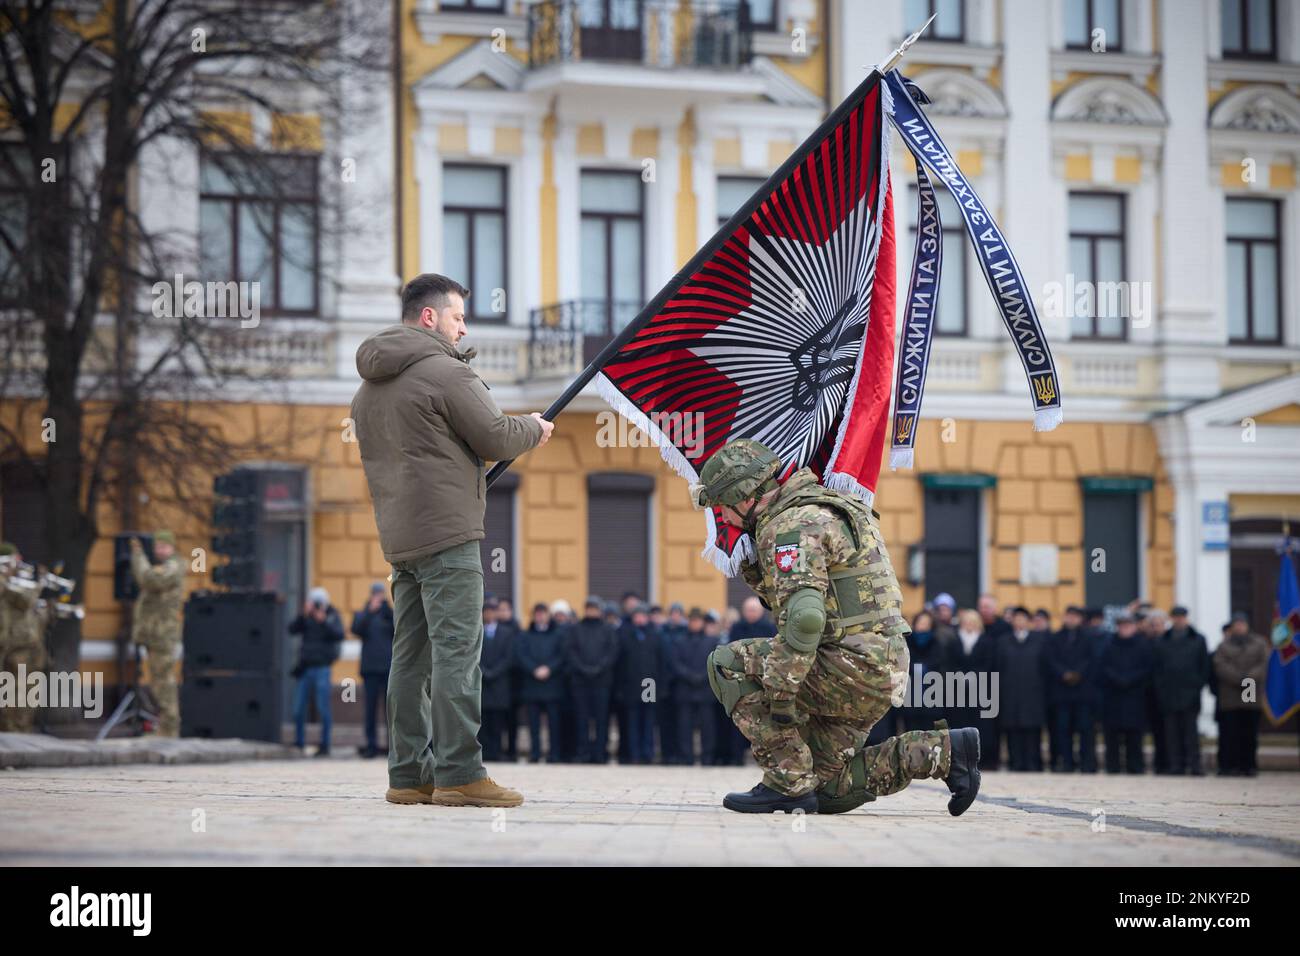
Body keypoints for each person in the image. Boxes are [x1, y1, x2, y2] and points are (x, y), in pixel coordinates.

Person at [692, 439, 980, 815]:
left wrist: (782, 689)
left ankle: (785, 783)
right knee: (825, 788)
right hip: (881, 667)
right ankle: (942, 752)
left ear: (744, 497)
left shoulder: (789, 526)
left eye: (720, 506)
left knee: (725, 663)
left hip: (849, 668)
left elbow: (806, 617)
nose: (722, 517)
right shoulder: (832, 509)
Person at [351, 273, 550, 807]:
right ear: (430, 317)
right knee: (458, 655)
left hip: (401, 539)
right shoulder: (446, 373)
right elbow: (495, 437)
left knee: (409, 659)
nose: (464, 328)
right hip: (450, 535)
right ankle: (461, 772)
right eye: (459, 317)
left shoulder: (368, 387)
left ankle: (408, 776)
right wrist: (534, 426)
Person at [129, 531, 185, 737]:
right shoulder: (163, 566)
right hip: (155, 634)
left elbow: (149, 580)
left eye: (164, 546)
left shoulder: (175, 566)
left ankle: (169, 728)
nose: (159, 551)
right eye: (157, 547)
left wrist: (138, 556)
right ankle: (164, 726)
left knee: (164, 682)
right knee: (158, 681)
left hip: (163, 635)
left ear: (172, 547)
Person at [0, 543, 52, 733]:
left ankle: (22, 730)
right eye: (14, 559)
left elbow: (31, 609)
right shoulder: (6, 584)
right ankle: (13, 730)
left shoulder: (16, 583)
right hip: (14, 646)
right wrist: (38, 584)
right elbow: (26, 601)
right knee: (13, 693)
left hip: (30, 645)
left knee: (29, 692)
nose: (18, 564)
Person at [1153, 605, 1210, 775]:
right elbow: (1157, 668)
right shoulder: (1162, 640)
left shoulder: (1198, 639)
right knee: (1172, 734)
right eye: (1176, 617)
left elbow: (1204, 666)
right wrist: (1161, 688)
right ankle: (1175, 765)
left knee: (1191, 733)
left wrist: (1197, 685)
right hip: (1169, 693)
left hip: (1190, 693)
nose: (1179, 620)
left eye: (1182, 617)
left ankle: (1194, 765)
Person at [1213, 611, 1271, 776]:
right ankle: (1232, 766)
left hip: (1250, 688)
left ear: (1247, 626)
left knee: (1249, 731)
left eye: (1242, 624)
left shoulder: (1259, 643)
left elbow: (1264, 663)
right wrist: (1238, 678)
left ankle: (1249, 766)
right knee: (1231, 732)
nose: (1239, 627)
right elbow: (1220, 665)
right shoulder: (1224, 645)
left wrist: (1248, 678)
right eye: (1236, 625)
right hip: (1230, 691)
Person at [289, 587, 344, 756]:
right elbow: (291, 630)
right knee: (298, 708)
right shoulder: (307, 617)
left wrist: (324, 621)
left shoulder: (332, 614)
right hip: (305, 668)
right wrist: (303, 614)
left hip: (322, 668)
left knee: (323, 708)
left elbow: (339, 634)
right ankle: (299, 743)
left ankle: (325, 745)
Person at [565, 596, 619, 763]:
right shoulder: (576, 629)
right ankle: (583, 752)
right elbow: (571, 652)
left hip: (602, 682)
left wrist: (598, 668)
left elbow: (612, 653)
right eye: (589, 608)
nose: (591, 611)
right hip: (580, 682)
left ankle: (600, 753)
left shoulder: (608, 630)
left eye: (595, 608)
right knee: (582, 718)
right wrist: (584, 669)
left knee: (601, 719)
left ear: (600, 610)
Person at [1044, 606, 1098, 772]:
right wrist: (1064, 674)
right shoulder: (1055, 637)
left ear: (1080, 619)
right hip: (1062, 691)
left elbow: (1092, 660)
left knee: (1085, 730)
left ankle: (1087, 763)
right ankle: (1066, 763)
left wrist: (1078, 674)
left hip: (1083, 692)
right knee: (1063, 730)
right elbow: (1050, 660)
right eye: (1069, 616)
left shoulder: (1089, 637)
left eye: (1075, 616)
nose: (1071, 619)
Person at [1099, 612, 1152, 774]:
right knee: (1112, 735)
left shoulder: (1142, 645)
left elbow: (1147, 668)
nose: (1125, 629)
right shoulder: (1108, 644)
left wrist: (1131, 679)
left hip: (1135, 695)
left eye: (1128, 625)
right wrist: (1116, 678)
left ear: (1134, 627)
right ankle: (1112, 766)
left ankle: (1135, 767)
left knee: (1134, 735)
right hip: (1113, 695)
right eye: (1122, 626)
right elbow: (1103, 666)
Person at [951, 605, 1001, 770]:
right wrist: (960, 677)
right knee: (960, 725)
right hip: (959, 690)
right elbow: (949, 663)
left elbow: (989, 663)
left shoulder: (987, 641)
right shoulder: (955, 640)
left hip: (981, 690)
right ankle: (960, 759)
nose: (969, 625)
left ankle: (983, 759)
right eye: (966, 622)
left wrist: (973, 676)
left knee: (982, 726)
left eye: (972, 622)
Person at [998, 606, 1046, 772]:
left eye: (1022, 618)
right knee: (1012, 730)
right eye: (1016, 618)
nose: (1019, 621)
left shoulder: (1039, 641)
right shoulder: (1004, 641)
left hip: (1033, 693)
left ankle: (1033, 763)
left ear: (1028, 621)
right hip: (1010, 693)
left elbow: (1045, 667)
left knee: (1032, 731)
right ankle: (1015, 763)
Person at [516, 602, 565, 763]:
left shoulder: (557, 634)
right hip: (532, 685)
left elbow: (562, 656)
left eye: (543, 613)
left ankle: (554, 754)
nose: (540, 616)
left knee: (554, 724)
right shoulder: (526, 635)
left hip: (552, 685)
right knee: (534, 724)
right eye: (537, 613)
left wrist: (549, 669)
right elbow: (521, 656)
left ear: (548, 615)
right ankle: (535, 753)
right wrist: (534, 669)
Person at [351, 582, 394, 758]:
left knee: (390, 711)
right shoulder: (363, 613)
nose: (378, 597)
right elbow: (356, 629)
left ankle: (392, 747)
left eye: (380, 594)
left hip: (387, 669)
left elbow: (399, 628)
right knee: (370, 710)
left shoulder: (389, 613)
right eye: (375, 593)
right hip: (369, 669)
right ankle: (371, 745)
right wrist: (370, 611)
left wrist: (386, 610)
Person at [672, 608, 720, 765]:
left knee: (708, 728)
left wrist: (702, 676)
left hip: (706, 690)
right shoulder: (679, 641)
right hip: (685, 690)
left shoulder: (712, 641)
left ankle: (707, 757)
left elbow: (715, 662)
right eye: (692, 621)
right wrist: (689, 676)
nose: (695, 624)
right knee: (684, 727)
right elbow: (675, 663)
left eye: (698, 621)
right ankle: (686, 757)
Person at [616, 602, 661, 763]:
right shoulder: (625, 635)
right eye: (637, 616)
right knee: (632, 721)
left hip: (649, 684)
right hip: (631, 684)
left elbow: (660, 661)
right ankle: (634, 754)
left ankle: (647, 753)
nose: (640, 619)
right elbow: (619, 662)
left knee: (648, 720)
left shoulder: (654, 635)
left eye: (643, 616)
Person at [479, 597, 516, 762]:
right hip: (481, 682)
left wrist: (494, 672)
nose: (489, 614)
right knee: (482, 720)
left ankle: (497, 751)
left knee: (498, 721)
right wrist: (483, 671)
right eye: (486, 611)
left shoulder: (507, 633)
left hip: (499, 683)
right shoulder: (476, 631)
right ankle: (484, 753)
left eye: (492, 611)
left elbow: (508, 657)